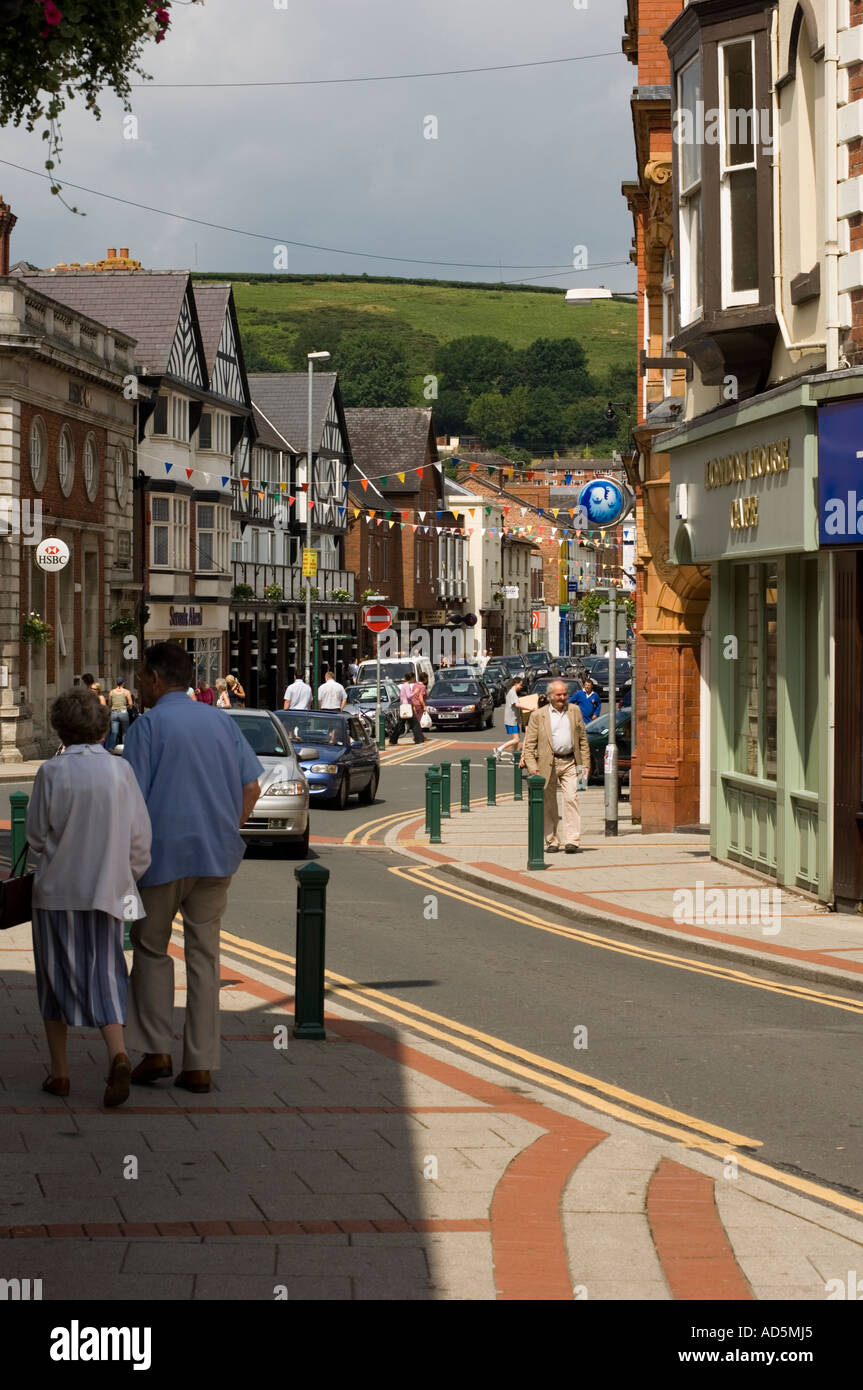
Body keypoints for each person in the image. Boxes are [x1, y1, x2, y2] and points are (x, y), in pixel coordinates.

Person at [122, 643, 263, 1094]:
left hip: (162, 857)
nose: (141, 685)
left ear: (158, 679)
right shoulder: (221, 721)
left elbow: (132, 801)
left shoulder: (148, 727)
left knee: (150, 950)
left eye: (143, 677)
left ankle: (157, 1050)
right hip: (215, 855)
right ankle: (200, 1065)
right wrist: (227, 826)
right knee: (205, 957)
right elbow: (252, 786)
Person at [25, 687, 152, 1108]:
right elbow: (140, 843)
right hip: (106, 892)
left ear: (62, 726)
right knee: (107, 972)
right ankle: (117, 1053)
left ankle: (60, 1073)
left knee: (53, 977)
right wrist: (124, 877)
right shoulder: (121, 772)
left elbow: (36, 839)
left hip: (57, 892)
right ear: (100, 727)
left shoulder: (51, 773)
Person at [522, 679, 590, 854]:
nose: (563, 697)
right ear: (551, 696)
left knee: (571, 798)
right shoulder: (539, 715)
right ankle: (551, 841)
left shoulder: (575, 711)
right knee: (548, 803)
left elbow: (583, 740)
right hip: (547, 763)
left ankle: (572, 840)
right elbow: (529, 746)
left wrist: (586, 765)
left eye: (565, 694)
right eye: (559, 695)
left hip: (570, 762)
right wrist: (532, 768)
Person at [390, 675, 426, 746]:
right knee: (415, 724)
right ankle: (419, 740)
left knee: (400, 724)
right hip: (407, 707)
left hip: (404, 706)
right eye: (414, 678)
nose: (414, 680)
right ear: (411, 678)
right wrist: (415, 692)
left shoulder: (404, 685)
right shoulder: (406, 685)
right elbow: (409, 696)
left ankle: (393, 740)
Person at [496, 676, 525, 760]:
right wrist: (529, 707)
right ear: (516, 684)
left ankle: (513, 756)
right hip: (511, 720)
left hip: (513, 719)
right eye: (520, 685)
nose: (521, 687)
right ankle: (499, 749)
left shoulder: (512, 692)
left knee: (516, 739)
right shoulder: (512, 692)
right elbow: (517, 704)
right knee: (516, 739)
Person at [105, 676, 133, 752]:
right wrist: (126, 707)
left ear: (116, 683)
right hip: (123, 712)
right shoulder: (127, 692)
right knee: (125, 732)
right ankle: (125, 749)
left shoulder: (111, 692)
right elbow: (130, 704)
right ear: (123, 683)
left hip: (114, 713)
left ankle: (111, 748)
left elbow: (109, 704)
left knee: (114, 732)